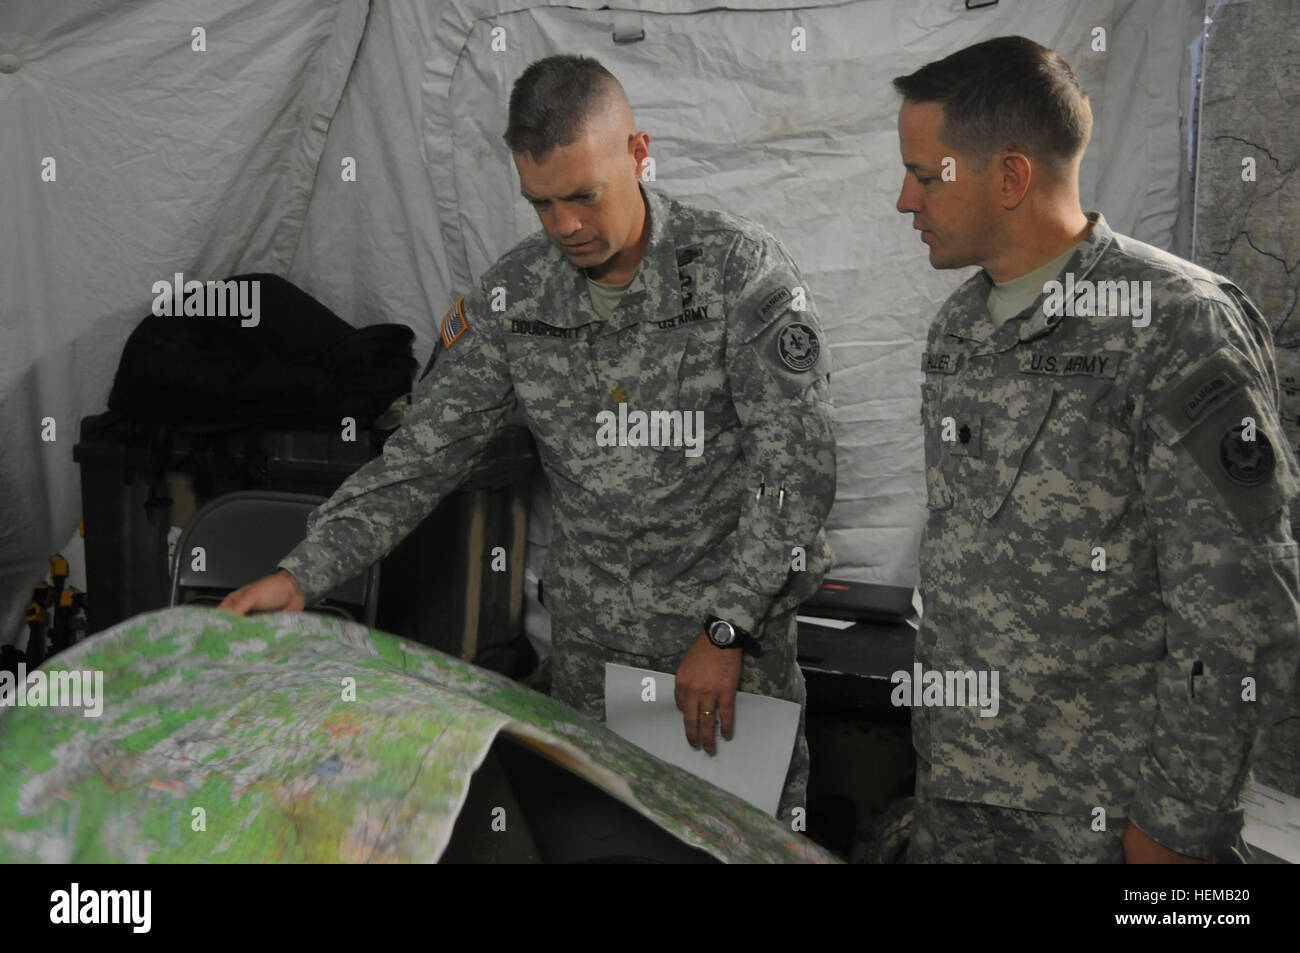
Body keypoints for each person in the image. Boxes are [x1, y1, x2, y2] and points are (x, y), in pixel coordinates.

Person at [219, 54, 836, 821]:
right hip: (590, 672)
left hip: (719, 665)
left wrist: (727, 627)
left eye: (583, 196)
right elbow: (421, 456)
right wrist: (303, 572)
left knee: (733, 845)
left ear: (639, 154)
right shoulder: (517, 296)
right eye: (540, 203)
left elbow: (794, 473)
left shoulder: (738, 275)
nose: (564, 226)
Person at [893, 35, 1300, 862]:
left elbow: (1240, 605)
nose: (905, 200)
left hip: (1106, 820)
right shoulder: (960, 328)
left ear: (1009, 177)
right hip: (962, 798)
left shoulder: (1180, 324)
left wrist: (1179, 824)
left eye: (925, 174)